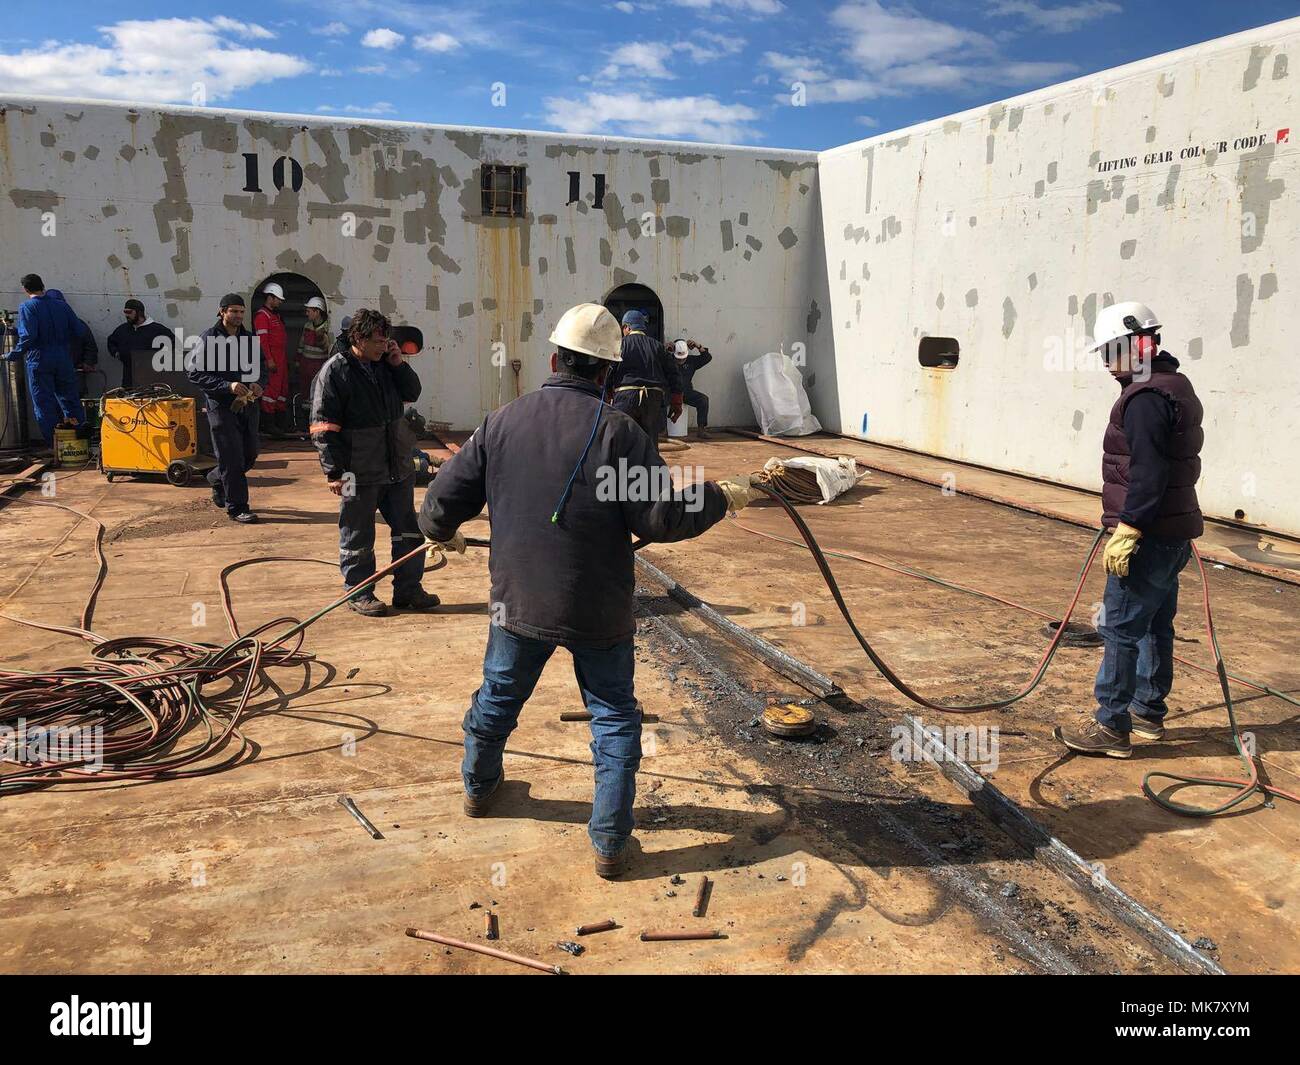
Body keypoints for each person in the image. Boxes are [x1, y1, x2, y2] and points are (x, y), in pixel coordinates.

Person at [417, 303, 762, 878]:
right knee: (612, 718)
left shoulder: (500, 421)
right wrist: (724, 495)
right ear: (609, 373)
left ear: (553, 359)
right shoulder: (622, 434)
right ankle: (608, 843)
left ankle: (478, 788)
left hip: (518, 600)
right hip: (596, 605)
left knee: (499, 694)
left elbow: (442, 502)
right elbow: (661, 519)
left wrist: (438, 534)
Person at [1057, 302, 1204, 759]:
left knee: (1120, 629)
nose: (1105, 363)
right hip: (1173, 535)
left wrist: (1129, 528)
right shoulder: (1174, 386)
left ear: (1136, 345)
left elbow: (1148, 474)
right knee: (1156, 624)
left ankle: (1111, 727)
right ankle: (1146, 713)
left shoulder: (1143, 399)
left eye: (1110, 352)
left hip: (1148, 535)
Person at [309, 307, 439, 617]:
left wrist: (398, 364)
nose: (384, 346)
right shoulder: (336, 371)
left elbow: (413, 392)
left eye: (386, 341)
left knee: (408, 531)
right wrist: (335, 472)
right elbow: (322, 427)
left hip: (397, 468)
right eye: (378, 342)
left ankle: (408, 591)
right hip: (359, 471)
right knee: (358, 535)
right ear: (357, 338)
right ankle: (359, 592)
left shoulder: (387, 366)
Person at [186, 293, 266, 524]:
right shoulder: (208, 339)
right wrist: (227, 386)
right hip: (220, 406)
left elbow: (261, 366)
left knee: (249, 455)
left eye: (241, 311)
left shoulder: (249, 339)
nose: (238, 315)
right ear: (222, 312)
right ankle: (237, 507)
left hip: (247, 405)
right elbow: (194, 373)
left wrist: (259, 383)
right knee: (231, 458)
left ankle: (215, 478)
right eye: (233, 311)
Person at [6, 274, 85, 447]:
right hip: (63, 358)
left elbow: (28, 336)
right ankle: (79, 442)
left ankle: (55, 446)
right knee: (70, 399)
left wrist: (13, 354)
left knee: (44, 403)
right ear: (43, 285)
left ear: (25, 290)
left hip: (39, 359)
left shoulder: (27, 307)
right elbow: (79, 330)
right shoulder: (62, 306)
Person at [606, 309, 682, 444]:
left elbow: (608, 372)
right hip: (653, 399)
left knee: (623, 442)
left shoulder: (619, 346)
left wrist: (606, 396)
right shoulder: (658, 347)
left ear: (627, 327)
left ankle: (625, 466)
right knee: (650, 444)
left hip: (625, 397)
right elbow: (674, 375)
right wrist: (677, 403)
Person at [106, 299, 171, 391]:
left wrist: (160, 360)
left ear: (139, 312)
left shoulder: (157, 330)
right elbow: (111, 341)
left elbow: (172, 344)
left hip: (152, 378)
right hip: (129, 379)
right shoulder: (122, 330)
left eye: (129, 312)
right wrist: (117, 353)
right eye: (125, 312)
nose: (126, 315)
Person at [254, 282, 290, 438]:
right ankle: (268, 424)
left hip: (281, 358)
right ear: (270, 297)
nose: (280, 302)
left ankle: (280, 423)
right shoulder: (262, 316)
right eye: (278, 299)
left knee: (282, 390)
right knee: (271, 391)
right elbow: (262, 341)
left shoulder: (276, 315)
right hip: (273, 359)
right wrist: (269, 359)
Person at [47, 290, 98, 393]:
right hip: (51, 375)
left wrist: (88, 362)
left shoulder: (77, 324)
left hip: (74, 374)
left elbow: (90, 345)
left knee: (75, 403)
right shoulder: (44, 326)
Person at [674, 336, 713, 440]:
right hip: (670, 392)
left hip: (686, 392)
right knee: (657, 400)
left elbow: (707, 357)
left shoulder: (691, 361)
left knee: (703, 400)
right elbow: (653, 359)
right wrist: (664, 348)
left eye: (683, 358)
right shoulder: (667, 360)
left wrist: (698, 346)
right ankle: (662, 429)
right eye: (678, 358)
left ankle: (701, 429)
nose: (681, 360)